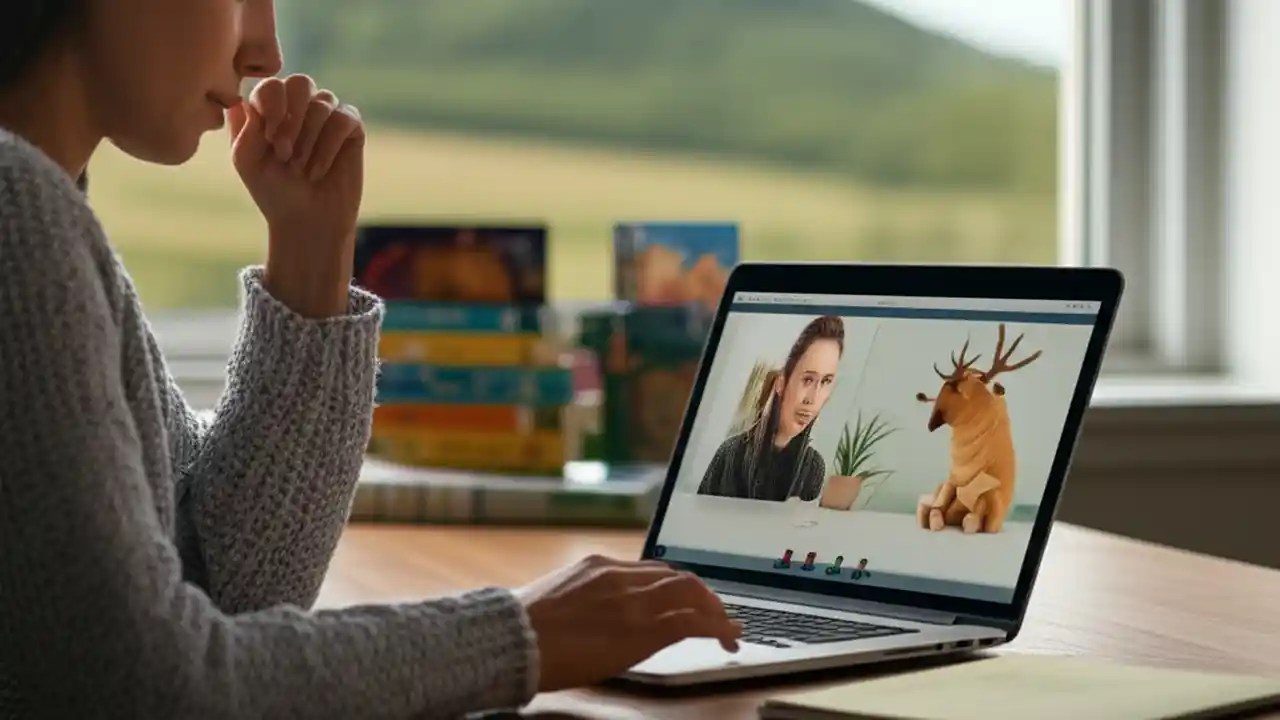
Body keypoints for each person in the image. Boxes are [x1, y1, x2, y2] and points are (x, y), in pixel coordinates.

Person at [0, 1, 740, 717]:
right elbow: (150, 685)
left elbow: (232, 594)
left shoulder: (47, 207)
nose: (264, 51)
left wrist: (312, 254)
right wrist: (521, 635)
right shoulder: (15, 210)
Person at [698, 315, 845, 502]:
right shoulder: (730, 454)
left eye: (826, 381)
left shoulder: (813, 468)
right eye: (807, 379)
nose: (813, 399)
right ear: (781, 383)